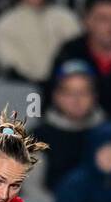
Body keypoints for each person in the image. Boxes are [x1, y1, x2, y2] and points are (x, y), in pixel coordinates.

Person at [0, 0, 80, 84]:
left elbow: (76, 55)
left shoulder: (66, 17)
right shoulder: (6, 22)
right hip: (24, 88)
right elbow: (10, 64)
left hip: (65, 86)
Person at [33, 59, 105, 192]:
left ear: (94, 96)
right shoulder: (37, 138)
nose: (76, 100)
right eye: (69, 93)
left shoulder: (110, 132)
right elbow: (33, 192)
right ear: (56, 96)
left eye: (83, 92)